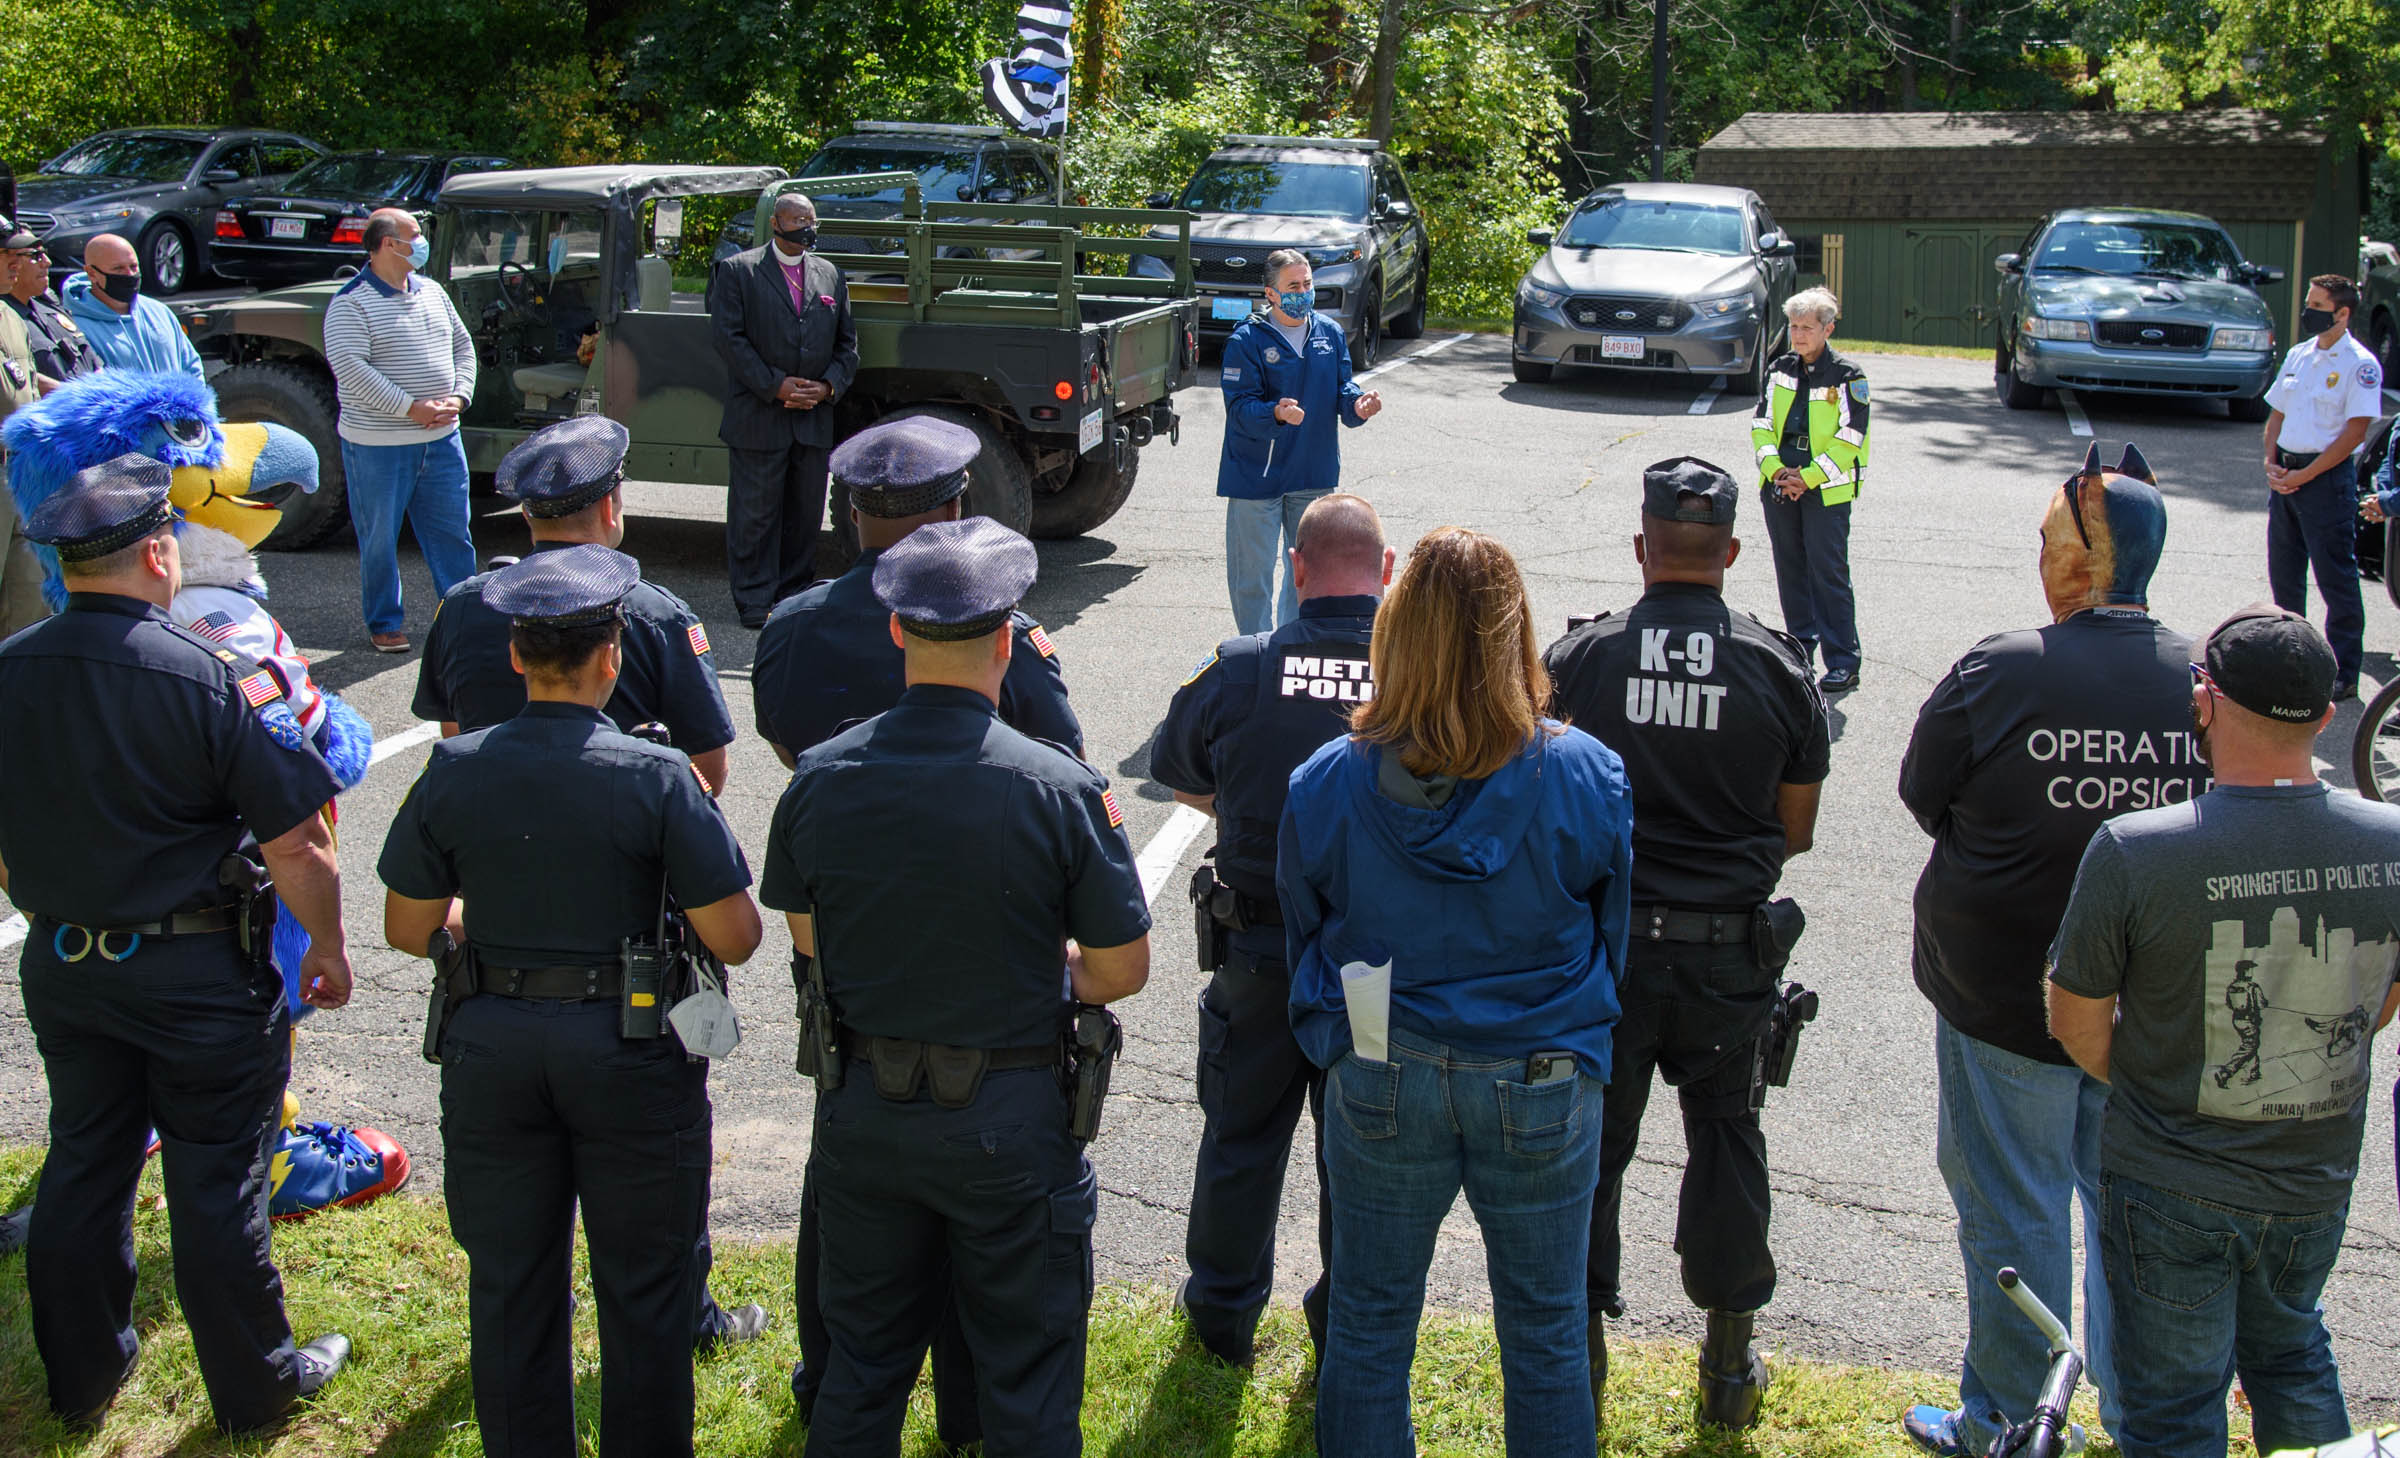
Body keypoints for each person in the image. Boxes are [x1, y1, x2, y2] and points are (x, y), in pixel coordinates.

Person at [761, 515, 1151, 1456]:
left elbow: (810, 938)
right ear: (1009, 642)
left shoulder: (822, 775)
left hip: (864, 1111)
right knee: (1027, 1381)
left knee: (861, 1373)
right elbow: (1119, 970)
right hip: (1011, 1117)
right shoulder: (1060, 788)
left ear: (897, 631)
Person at [381, 545, 764, 1458]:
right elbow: (736, 938)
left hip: (492, 1044)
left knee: (511, 1284)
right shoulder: (657, 775)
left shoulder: (456, 768)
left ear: (515, 657)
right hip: (629, 1050)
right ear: (615, 656)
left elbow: (407, 926)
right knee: (647, 1283)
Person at [0, 454, 352, 1434]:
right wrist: (325, 947)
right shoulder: (212, 673)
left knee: (84, 1164)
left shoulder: (11, 669)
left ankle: (80, 1380)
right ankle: (255, 1390)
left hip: (68, 966)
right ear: (159, 551)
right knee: (213, 1184)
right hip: (199, 974)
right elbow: (299, 840)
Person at [1282, 526, 1632, 1457]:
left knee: (1368, 1320)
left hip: (1384, 1060)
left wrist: (1339, 1037)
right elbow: (1614, 928)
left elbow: (1305, 927)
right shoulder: (1587, 772)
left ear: (1394, 635)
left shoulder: (1327, 779)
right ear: (1513, 641)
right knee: (1547, 1330)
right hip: (1542, 1068)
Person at [1896, 444, 2204, 1457]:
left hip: (2005, 1005)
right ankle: (2138, 1417)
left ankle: (2009, 1423)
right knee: (2129, 1219)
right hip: (2145, 1010)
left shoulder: (2004, 668)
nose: (2040, 559)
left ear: (2087, 562)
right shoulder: (2205, 683)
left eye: (2048, 542)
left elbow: (1921, 795)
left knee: (2014, 1218)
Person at [2048, 605, 2400, 1458]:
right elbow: (2381, 997)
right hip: (2313, 1173)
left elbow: (2075, 1020)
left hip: (2170, 1173)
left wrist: (2162, 1073)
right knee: (2292, 1355)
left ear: (2203, 701)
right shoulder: (2394, 841)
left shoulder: (2136, 849)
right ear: (2325, 716)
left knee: (2173, 1409)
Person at [1542, 457, 1829, 1430]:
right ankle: (1727, 1374)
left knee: (1590, 1155)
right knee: (1727, 1141)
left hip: (1606, 960)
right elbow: (1797, 829)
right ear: (1734, 553)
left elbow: (1538, 802)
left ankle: (1575, 1373)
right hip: (1726, 959)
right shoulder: (1777, 666)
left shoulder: (1579, 661)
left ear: (1640, 548)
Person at [1151, 491, 1393, 1368]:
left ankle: (1221, 1317)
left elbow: (1181, 781)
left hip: (1257, 954)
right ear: (1388, 574)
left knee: (1242, 1137)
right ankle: (1345, 1322)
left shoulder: (1243, 663)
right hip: (1369, 973)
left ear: (1295, 569)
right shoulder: (1416, 675)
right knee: (1360, 1146)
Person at [415, 416, 737, 798]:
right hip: (620, 833)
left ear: (526, 514)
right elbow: (707, 775)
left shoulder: (462, 605)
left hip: (485, 828)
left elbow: (455, 734)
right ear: (609, 506)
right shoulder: (658, 615)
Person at [754, 415, 1080, 770]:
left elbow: (785, 749)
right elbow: (1064, 761)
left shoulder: (787, 624)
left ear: (853, 514)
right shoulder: (992, 630)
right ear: (954, 510)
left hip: (827, 816)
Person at [324, 207, 478, 655]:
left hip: (442, 441)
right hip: (379, 446)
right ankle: (385, 622)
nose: (422, 242)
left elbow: (462, 345)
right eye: (415, 235)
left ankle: (462, 616)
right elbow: (351, 370)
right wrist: (409, 408)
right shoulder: (350, 303)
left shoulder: (431, 291)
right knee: (379, 540)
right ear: (389, 243)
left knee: (453, 534)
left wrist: (460, 396)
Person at [1216, 249, 1384, 635]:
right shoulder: (1246, 340)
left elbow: (1343, 390)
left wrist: (1357, 405)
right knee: (1251, 578)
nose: (1303, 292)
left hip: (1312, 473)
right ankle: (1257, 649)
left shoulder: (1330, 333)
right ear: (1270, 294)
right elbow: (1239, 408)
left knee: (1305, 577)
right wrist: (1275, 413)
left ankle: (1292, 646)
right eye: (1293, 286)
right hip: (1256, 478)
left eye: (1307, 284)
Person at [710, 191, 858, 627]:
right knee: (754, 516)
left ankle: (793, 598)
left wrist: (829, 385)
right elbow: (729, 339)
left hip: (812, 417)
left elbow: (848, 344)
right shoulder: (739, 271)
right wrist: (775, 386)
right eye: (796, 220)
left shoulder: (830, 274)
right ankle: (754, 601)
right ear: (776, 222)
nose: (804, 228)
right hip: (759, 416)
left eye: (810, 220)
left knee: (804, 515)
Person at [2261, 274, 2382, 700]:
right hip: (2286, 478)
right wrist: (2271, 461)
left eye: (2316, 306)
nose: (2307, 312)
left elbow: (2353, 435)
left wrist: (2304, 476)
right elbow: (2276, 414)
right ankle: (2293, 659)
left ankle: (2344, 672)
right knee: (2285, 578)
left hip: (2325, 479)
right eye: (2308, 303)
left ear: (2342, 313)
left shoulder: (2359, 364)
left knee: (2335, 578)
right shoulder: (2299, 355)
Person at [1749, 286, 1868, 694]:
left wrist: (1809, 477)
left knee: (1828, 572)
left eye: (1807, 328)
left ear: (1828, 329)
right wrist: (1775, 470)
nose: (1798, 335)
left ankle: (1842, 661)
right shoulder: (1779, 367)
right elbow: (1761, 423)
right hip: (1781, 479)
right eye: (1794, 326)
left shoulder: (1849, 376)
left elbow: (1851, 437)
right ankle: (1800, 650)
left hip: (1825, 488)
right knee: (1791, 569)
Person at [59, 234, 204, 382]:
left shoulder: (159, 311)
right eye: (118, 269)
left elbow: (191, 366)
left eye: (133, 267)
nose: (129, 275)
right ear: (92, 273)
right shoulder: (78, 328)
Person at [0, 263, 48, 638]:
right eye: (6, 254)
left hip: (17, 475)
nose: (16, 263)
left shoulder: (11, 318)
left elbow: (26, 388)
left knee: (29, 602)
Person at [3, 224, 98, 391]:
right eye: (35, 255)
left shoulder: (50, 308)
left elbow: (94, 362)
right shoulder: (6, 319)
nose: (47, 262)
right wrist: (78, 398)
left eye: (44, 253)